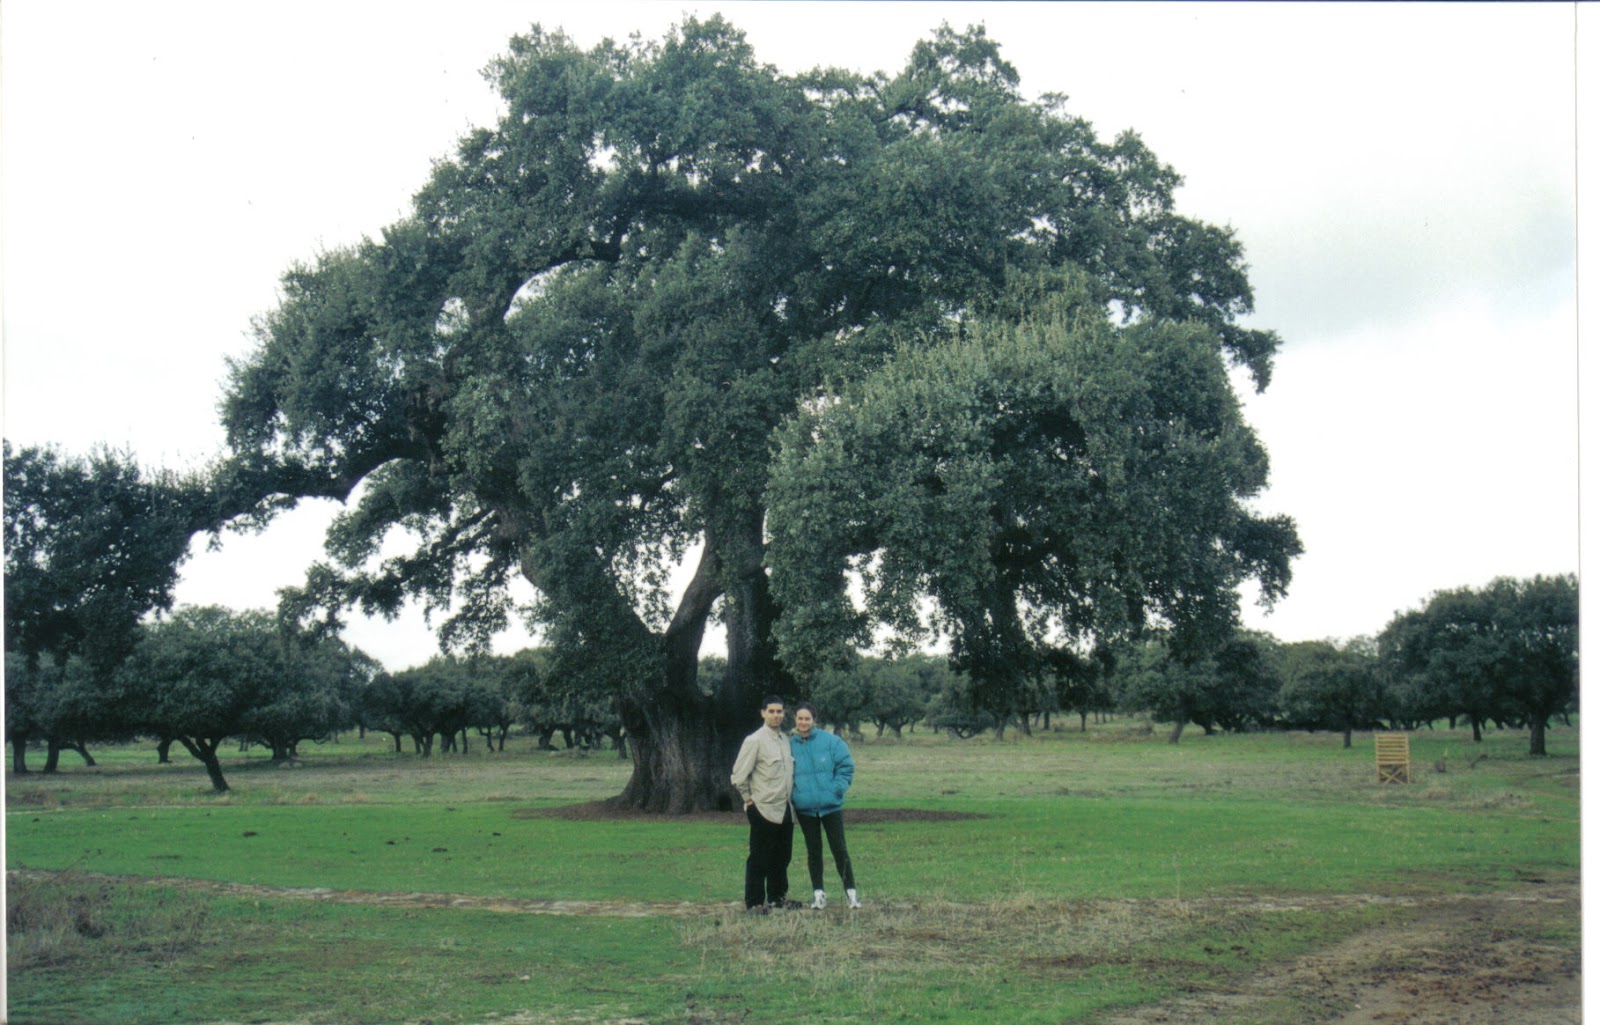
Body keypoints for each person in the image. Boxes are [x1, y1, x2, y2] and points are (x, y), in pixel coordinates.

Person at [789, 702, 860, 909]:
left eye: (807, 718)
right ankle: (818, 895)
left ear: (814, 720)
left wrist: (835, 789)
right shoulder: (788, 744)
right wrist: (795, 795)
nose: (803, 722)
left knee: (839, 849)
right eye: (800, 718)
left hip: (831, 806)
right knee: (814, 851)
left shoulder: (831, 742)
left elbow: (846, 767)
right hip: (805, 808)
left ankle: (851, 894)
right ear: (795, 719)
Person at [730, 694, 796, 913]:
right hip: (763, 808)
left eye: (779, 711)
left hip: (785, 808)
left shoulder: (785, 740)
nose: (776, 715)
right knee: (760, 857)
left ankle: (778, 897)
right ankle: (755, 902)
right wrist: (749, 800)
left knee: (782, 856)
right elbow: (738, 776)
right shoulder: (754, 740)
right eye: (771, 711)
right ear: (763, 713)